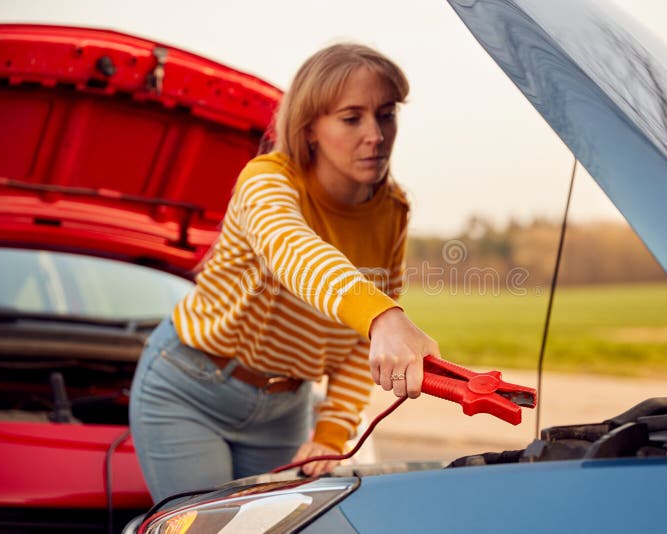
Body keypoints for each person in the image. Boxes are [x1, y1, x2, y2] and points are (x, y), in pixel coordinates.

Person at [128, 42, 440, 502]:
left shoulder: (392, 210)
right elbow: (291, 250)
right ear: (310, 128)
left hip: (286, 409)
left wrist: (332, 433)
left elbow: (360, 346)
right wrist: (383, 315)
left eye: (386, 113)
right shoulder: (266, 179)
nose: (375, 134)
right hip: (191, 389)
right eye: (352, 118)